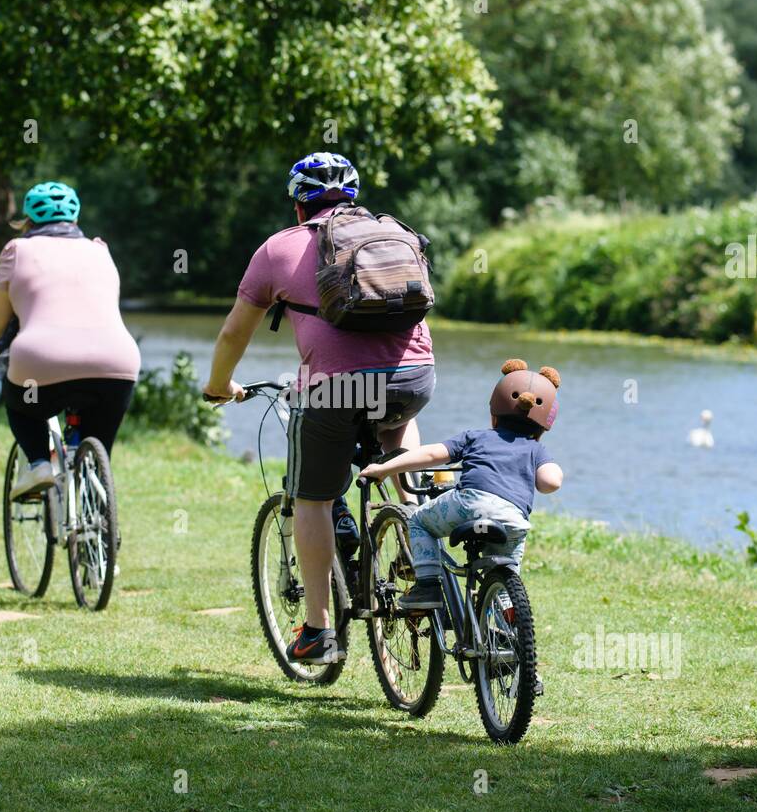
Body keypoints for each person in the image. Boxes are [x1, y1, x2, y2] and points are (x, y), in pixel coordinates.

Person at [202, 152, 435, 665]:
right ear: (353, 195)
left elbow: (233, 331)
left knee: (310, 499)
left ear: (298, 202)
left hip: (333, 390)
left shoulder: (278, 248)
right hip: (415, 379)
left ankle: (317, 630)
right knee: (397, 420)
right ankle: (418, 542)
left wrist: (219, 385)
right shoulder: (397, 233)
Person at [0, 181, 140, 499]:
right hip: (116, 364)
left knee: (21, 405)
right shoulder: (99, 250)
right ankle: (98, 507)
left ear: (27, 220)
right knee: (99, 451)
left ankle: (37, 464)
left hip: (41, 363)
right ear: (75, 218)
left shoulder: (17, 250)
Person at [359, 359, 565, 610]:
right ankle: (507, 621)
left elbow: (433, 454)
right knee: (504, 567)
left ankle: (427, 586)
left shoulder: (476, 436)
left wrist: (384, 468)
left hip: (469, 505)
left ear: (494, 413)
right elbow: (550, 481)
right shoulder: (537, 449)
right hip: (512, 519)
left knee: (418, 520)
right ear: (545, 425)